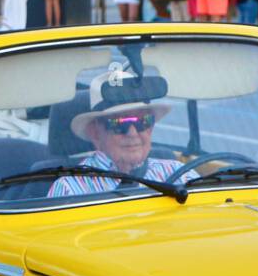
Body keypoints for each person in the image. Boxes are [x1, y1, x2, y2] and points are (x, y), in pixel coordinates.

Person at [47, 73, 199, 198]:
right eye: (120, 123)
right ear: (95, 133)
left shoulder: (179, 174)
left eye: (142, 121)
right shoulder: (70, 190)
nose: (132, 133)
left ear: (151, 128)